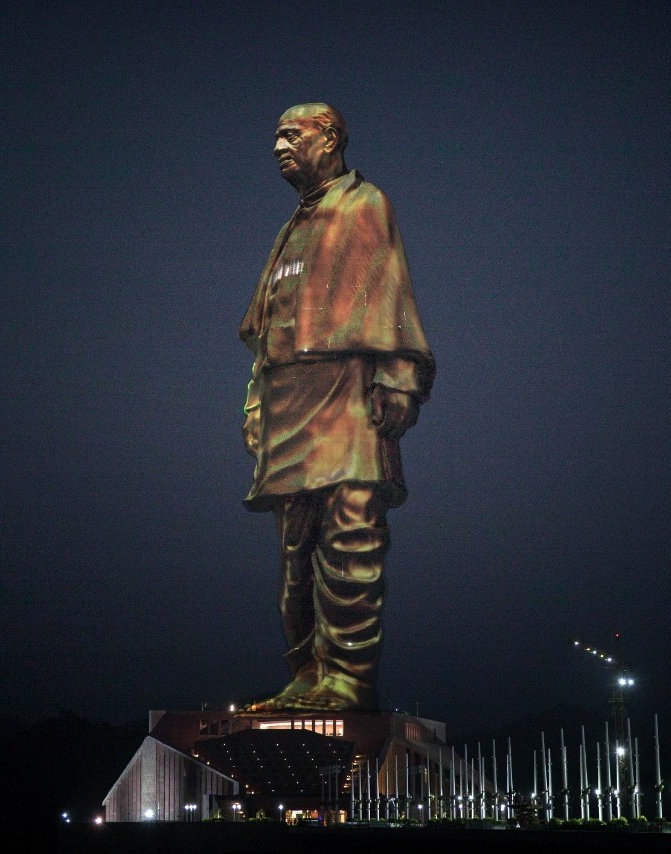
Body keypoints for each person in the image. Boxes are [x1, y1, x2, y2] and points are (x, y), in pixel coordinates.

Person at [239, 103, 434, 711]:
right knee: (295, 555)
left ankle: (347, 679)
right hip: (288, 403)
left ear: (329, 138)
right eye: (275, 137)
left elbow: (390, 291)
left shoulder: (363, 204)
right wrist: (255, 403)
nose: (279, 147)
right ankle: (307, 673)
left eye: (291, 136)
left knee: (350, 539)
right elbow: (267, 328)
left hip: (346, 396)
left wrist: (398, 378)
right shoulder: (290, 227)